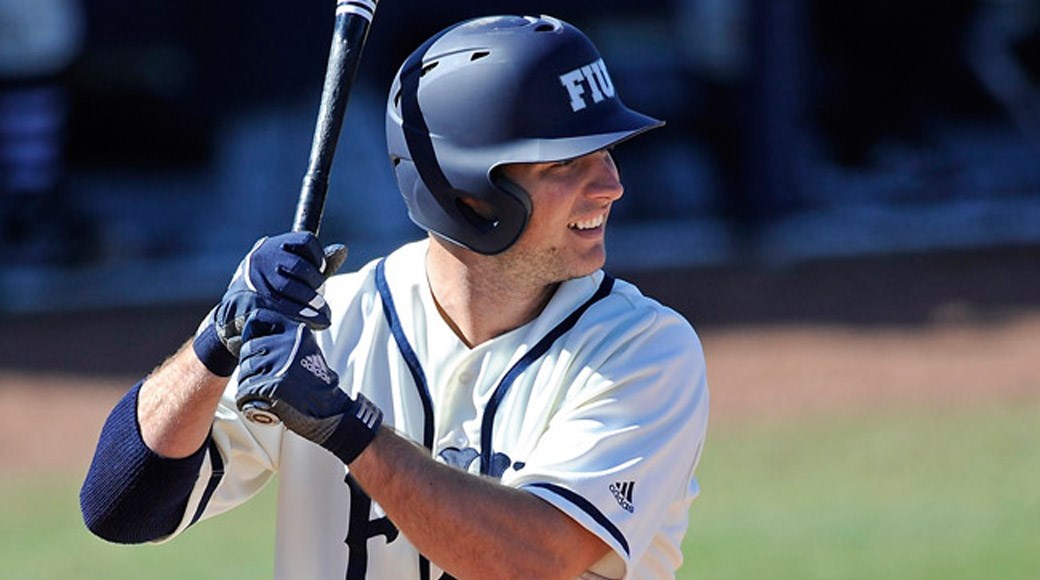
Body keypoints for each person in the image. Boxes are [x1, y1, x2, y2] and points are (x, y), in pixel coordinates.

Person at [80, 14, 710, 579]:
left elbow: (534, 563)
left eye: (606, 153)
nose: (611, 186)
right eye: (566, 165)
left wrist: (347, 429)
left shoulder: (644, 351)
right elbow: (120, 508)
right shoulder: (334, 323)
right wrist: (218, 338)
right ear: (470, 194)